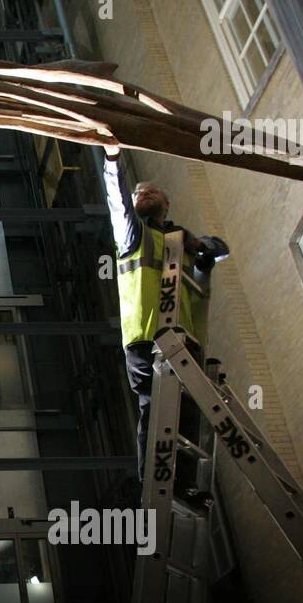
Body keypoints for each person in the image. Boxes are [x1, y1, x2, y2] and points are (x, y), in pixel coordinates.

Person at [102, 147, 229, 505]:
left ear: (166, 204)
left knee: (186, 417)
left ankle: (182, 487)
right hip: (146, 340)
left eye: (151, 191)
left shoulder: (179, 242)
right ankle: (152, 487)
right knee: (154, 408)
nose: (143, 194)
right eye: (139, 192)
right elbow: (118, 204)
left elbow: (220, 249)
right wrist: (113, 161)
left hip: (184, 342)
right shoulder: (132, 237)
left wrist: (199, 243)